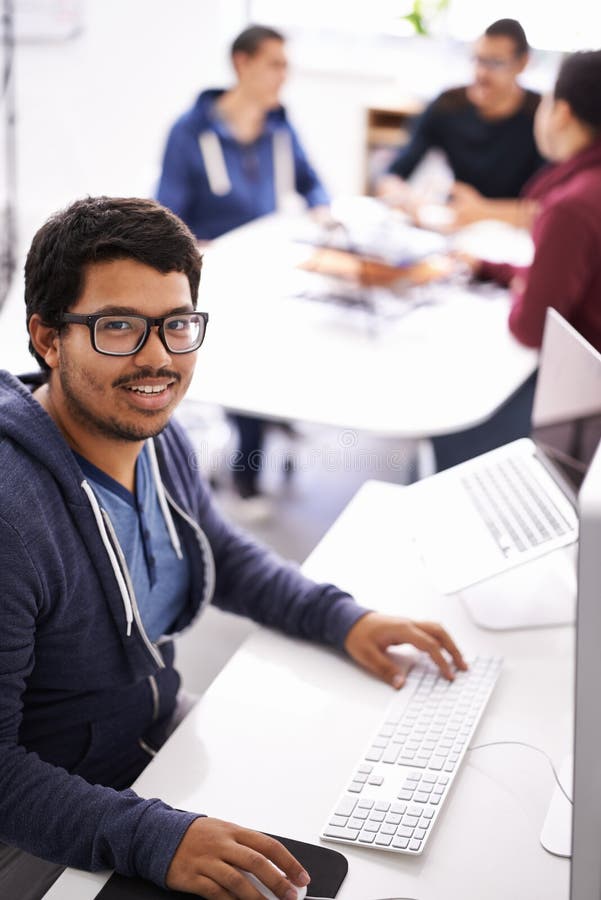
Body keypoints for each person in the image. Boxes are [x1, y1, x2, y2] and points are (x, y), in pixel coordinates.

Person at [0, 196, 466, 900]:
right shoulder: (12, 518)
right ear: (47, 337)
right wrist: (156, 839)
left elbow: (213, 549)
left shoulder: (153, 435)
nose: (157, 359)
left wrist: (341, 617)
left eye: (176, 325)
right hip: (45, 824)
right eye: (118, 326)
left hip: (149, 743)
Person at [157, 25, 330, 501]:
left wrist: (321, 209)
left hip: (272, 265)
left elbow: (311, 181)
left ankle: (262, 429)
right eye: (274, 64)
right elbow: (166, 216)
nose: (283, 76)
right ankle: (246, 474)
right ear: (242, 63)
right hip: (217, 273)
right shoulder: (190, 132)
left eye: (285, 65)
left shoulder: (279, 126)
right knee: (255, 352)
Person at [431, 49, 601, 472]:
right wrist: (498, 270)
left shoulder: (572, 203)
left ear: (561, 112)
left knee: (450, 408)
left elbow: (529, 327)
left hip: (583, 404)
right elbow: (575, 280)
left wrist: (525, 289)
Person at [377, 19, 545, 230]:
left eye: (495, 63)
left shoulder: (541, 117)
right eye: (477, 60)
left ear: (522, 64)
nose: (481, 73)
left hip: (515, 238)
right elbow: (391, 175)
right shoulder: (448, 106)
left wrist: (484, 211)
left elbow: (549, 210)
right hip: (458, 231)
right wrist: (406, 200)